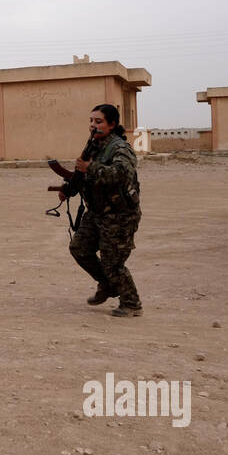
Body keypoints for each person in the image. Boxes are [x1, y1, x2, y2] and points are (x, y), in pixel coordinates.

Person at [60, 104, 144, 317]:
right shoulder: (94, 145)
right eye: (91, 121)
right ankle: (107, 285)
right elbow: (82, 174)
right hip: (97, 211)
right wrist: (68, 190)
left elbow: (122, 173)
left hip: (119, 214)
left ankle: (131, 303)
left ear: (112, 124)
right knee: (79, 248)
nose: (93, 125)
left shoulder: (119, 148)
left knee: (112, 262)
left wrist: (91, 168)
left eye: (99, 122)